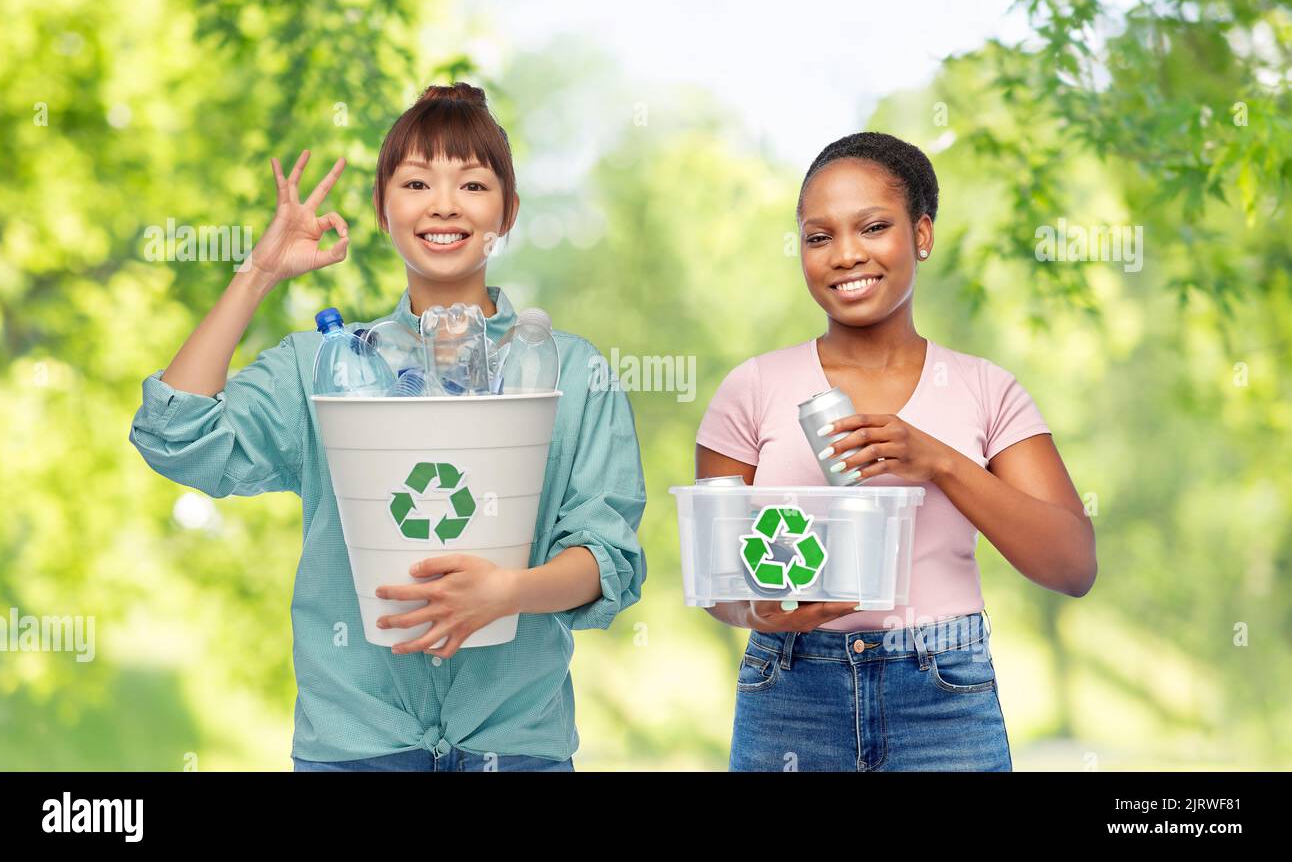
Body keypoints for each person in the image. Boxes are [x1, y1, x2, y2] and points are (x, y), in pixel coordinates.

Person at [129, 82, 646, 772]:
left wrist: (508, 593)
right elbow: (178, 434)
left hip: (513, 744)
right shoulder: (325, 368)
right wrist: (259, 272)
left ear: (508, 212)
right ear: (382, 209)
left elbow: (608, 559)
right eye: (415, 182)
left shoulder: (573, 373)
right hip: (355, 745)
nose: (443, 204)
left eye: (472, 184)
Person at [695, 131, 1096, 771]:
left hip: (944, 694)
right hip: (790, 693)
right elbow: (717, 580)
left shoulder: (984, 390)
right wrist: (756, 610)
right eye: (819, 237)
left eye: (874, 227)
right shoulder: (753, 389)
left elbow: (1073, 565)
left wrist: (937, 461)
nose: (845, 255)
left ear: (923, 235)